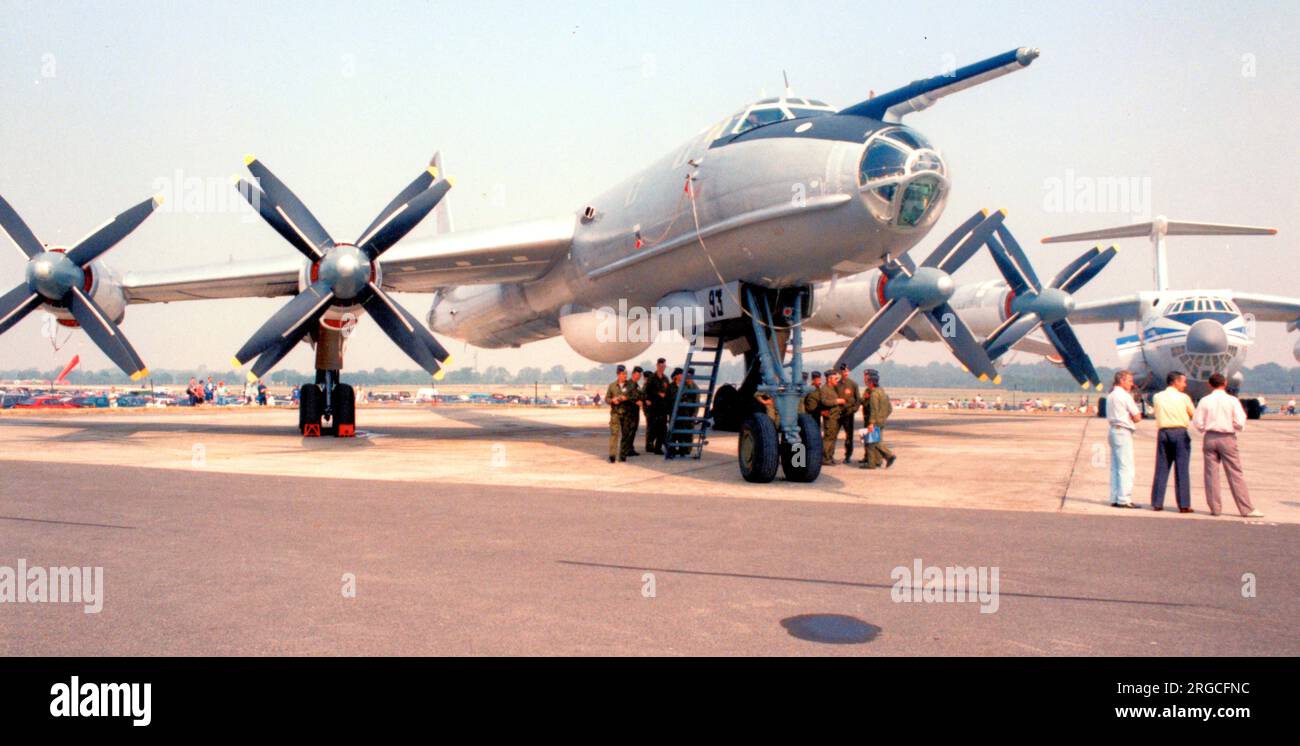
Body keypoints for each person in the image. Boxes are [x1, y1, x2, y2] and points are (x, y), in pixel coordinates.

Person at [1193, 373, 1264, 518]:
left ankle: (1215, 508)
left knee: (1211, 474)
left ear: (1209, 384)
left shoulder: (1205, 401)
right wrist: (1234, 427)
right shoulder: (1232, 400)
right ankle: (1246, 508)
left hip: (1210, 436)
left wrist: (1204, 428)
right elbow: (1240, 421)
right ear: (1225, 383)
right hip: (1227, 437)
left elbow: (1198, 422)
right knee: (1235, 473)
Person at [1151, 371, 1196, 513]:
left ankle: (1157, 503)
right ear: (1176, 382)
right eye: (1183, 382)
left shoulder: (1157, 397)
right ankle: (1184, 504)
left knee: (1161, 468)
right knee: (1182, 469)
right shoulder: (1184, 397)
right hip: (1180, 433)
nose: (1185, 384)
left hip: (1163, 433)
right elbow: (1193, 414)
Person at [1105, 370, 1142, 508]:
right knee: (1126, 467)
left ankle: (1114, 497)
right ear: (1122, 381)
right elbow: (1137, 416)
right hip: (1123, 431)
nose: (1132, 384)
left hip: (1113, 430)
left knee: (1115, 467)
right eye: (1129, 381)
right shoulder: (1125, 396)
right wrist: (1131, 417)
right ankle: (1124, 499)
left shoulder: (1111, 395)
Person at [859, 369, 896, 469]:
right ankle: (874, 462)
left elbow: (874, 410)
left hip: (874, 421)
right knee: (873, 441)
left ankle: (888, 456)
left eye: (866, 377)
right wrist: (882, 417)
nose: (864, 379)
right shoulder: (881, 391)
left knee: (873, 442)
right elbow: (889, 408)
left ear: (870, 380)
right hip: (881, 421)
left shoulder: (874, 394)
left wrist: (872, 423)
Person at [605, 365, 638, 463]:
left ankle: (623, 454)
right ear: (618, 374)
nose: (625, 376)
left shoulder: (631, 385)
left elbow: (637, 395)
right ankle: (612, 455)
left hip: (627, 414)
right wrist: (612, 400)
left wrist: (627, 398)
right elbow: (607, 398)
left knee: (625, 434)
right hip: (615, 413)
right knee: (614, 433)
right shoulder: (612, 386)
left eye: (626, 374)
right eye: (623, 374)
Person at [833, 362, 860, 464]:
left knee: (849, 436)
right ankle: (830, 455)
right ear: (841, 372)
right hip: (838, 413)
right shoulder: (836, 384)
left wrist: (853, 410)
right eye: (844, 371)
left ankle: (848, 456)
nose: (845, 372)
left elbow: (858, 400)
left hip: (848, 414)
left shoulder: (853, 384)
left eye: (847, 370)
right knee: (833, 434)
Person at [815, 369, 844, 465]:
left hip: (835, 417)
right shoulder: (824, 389)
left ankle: (830, 456)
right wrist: (837, 401)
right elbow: (824, 402)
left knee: (833, 438)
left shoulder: (832, 388)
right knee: (828, 438)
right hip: (830, 417)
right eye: (835, 379)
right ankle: (825, 458)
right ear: (829, 379)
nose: (837, 380)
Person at [643, 358, 671, 455]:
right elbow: (646, 391)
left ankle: (658, 448)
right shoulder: (651, 378)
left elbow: (669, 391)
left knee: (663, 428)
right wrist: (654, 396)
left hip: (663, 408)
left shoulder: (666, 379)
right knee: (653, 428)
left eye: (664, 366)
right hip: (653, 407)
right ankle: (649, 444)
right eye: (660, 366)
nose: (662, 368)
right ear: (657, 366)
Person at [626, 366, 646, 456]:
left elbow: (641, 395)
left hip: (635, 411)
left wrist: (642, 400)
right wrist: (635, 400)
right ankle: (626, 449)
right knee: (628, 430)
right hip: (628, 411)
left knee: (633, 430)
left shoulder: (637, 385)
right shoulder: (628, 384)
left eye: (640, 375)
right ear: (633, 374)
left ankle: (630, 448)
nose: (639, 377)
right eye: (637, 374)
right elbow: (626, 396)